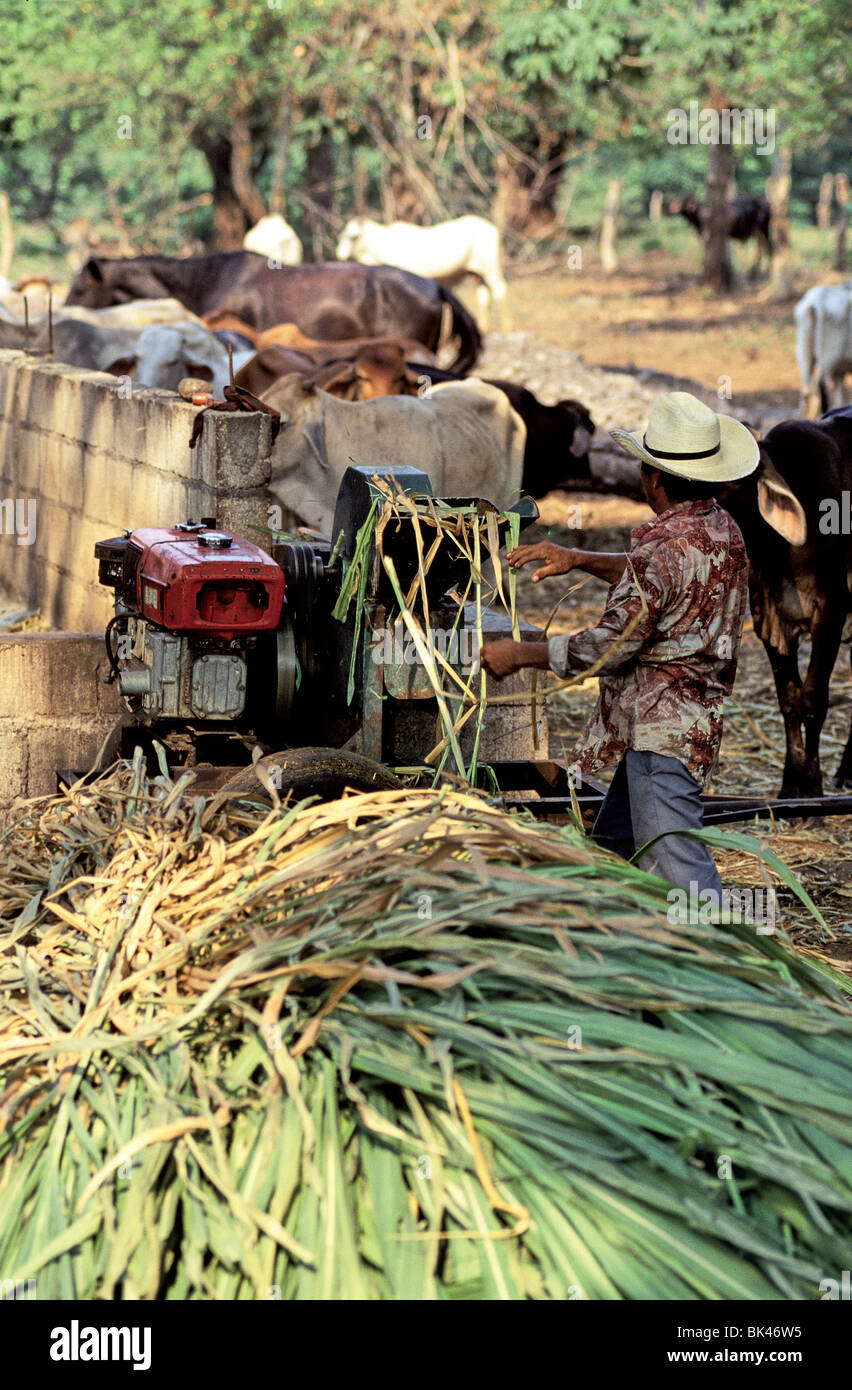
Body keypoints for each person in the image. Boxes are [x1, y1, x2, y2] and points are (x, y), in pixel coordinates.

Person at [480, 391, 759, 897]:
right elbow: (662, 582)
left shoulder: (663, 549)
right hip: (682, 726)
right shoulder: (723, 529)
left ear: (651, 478)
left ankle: (730, 956)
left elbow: (609, 645)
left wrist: (521, 654)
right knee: (613, 854)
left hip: (661, 735)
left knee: (681, 872)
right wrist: (577, 556)